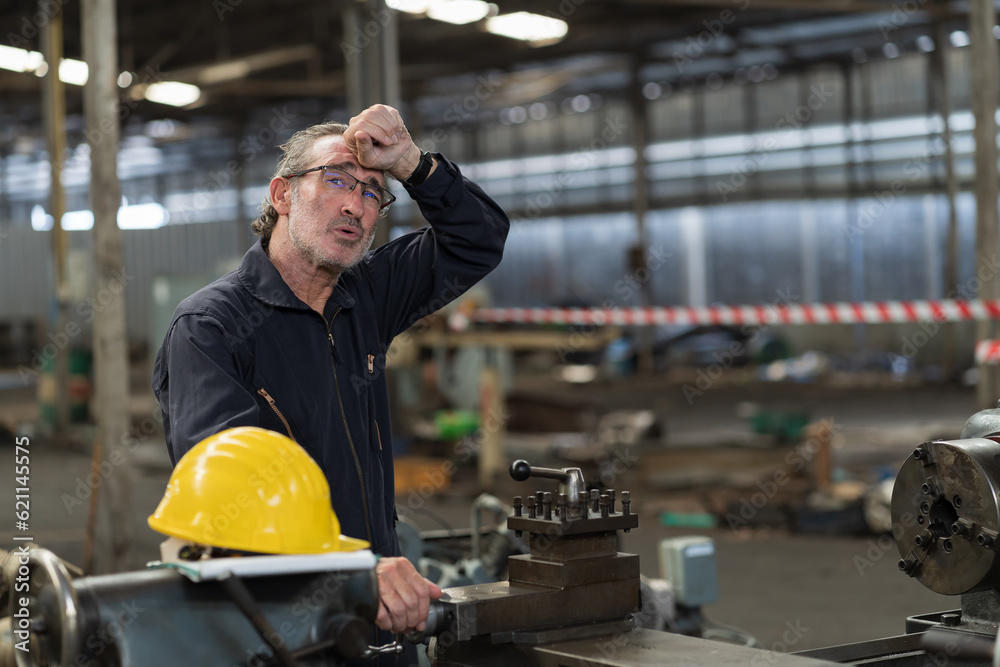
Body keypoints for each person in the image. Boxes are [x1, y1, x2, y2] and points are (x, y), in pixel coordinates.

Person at [152, 104, 510, 662]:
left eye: (372, 192)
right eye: (337, 180)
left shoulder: (364, 297)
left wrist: (414, 165)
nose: (355, 205)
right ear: (282, 195)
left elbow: (479, 240)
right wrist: (359, 571)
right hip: (282, 633)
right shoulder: (210, 329)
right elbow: (230, 509)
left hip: (381, 620)